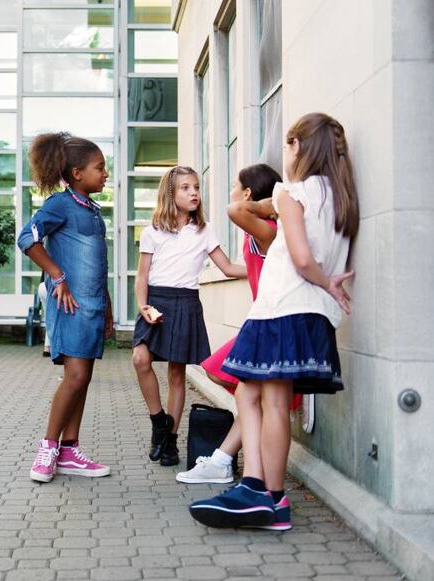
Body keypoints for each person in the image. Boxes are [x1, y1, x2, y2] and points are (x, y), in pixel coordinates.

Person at [189, 113, 359, 532]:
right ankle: (258, 490)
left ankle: (267, 496)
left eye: (288, 146)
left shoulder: (293, 193)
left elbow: (302, 258)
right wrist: (273, 203)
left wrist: (326, 282)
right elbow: (264, 211)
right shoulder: (340, 199)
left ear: (298, 147)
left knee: (268, 401)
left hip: (282, 307)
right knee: (253, 393)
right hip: (309, 314)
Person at [176, 163, 293, 484]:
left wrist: (270, 202)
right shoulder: (264, 232)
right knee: (233, 383)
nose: (229, 192)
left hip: (271, 323)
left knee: (242, 388)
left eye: (233, 185)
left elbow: (233, 209)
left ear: (247, 194)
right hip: (262, 321)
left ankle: (228, 464)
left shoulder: (267, 228)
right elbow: (250, 270)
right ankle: (225, 460)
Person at [132, 166, 247, 467]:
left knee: (176, 374)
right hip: (155, 301)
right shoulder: (152, 231)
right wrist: (143, 305)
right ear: (170, 193)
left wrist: (266, 267)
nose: (194, 192)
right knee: (140, 359)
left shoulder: (204, 231)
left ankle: (169, 441)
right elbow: (142, 276)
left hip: (185, 303)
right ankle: (159, 422)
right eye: (185, 188)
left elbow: (229, 268)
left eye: (196, 187)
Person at [17, 132, 114, 483]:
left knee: (83, 377)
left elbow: (97, 264)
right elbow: (27, 238)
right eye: (99, 168)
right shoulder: (60, 205)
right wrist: (57, 275)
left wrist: (107, 307)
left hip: (92, 307)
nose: (105, 174)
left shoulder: (92, 210)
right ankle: (47, 448)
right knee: (74, 377)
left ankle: (70, 450)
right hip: (70, 306)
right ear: (76, 173)